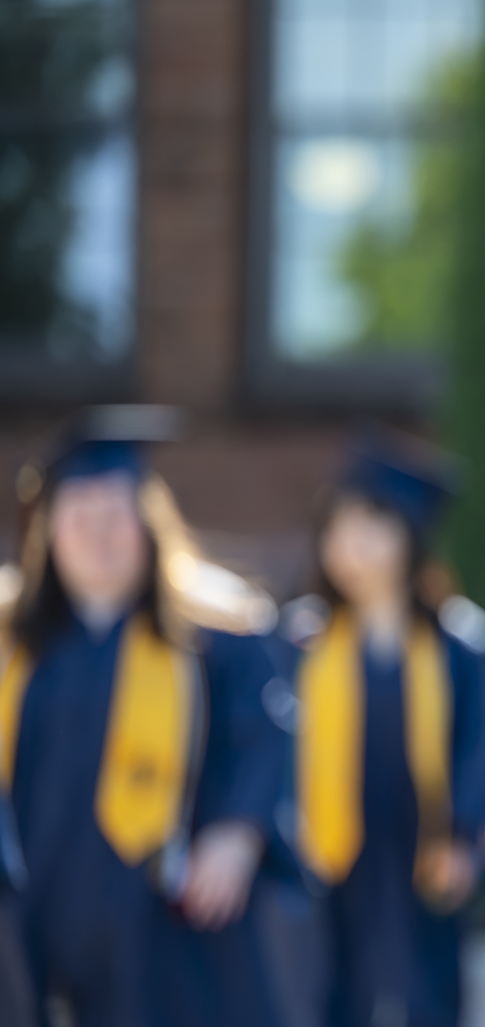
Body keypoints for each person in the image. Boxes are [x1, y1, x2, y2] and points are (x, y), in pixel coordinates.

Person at [0, 407, 289, 1025]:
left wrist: (239, 834)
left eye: (115, 517)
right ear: (48, 534)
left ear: (150, 527)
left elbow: (267, 736)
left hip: (163, 919)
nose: (98, 537)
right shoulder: (15, 647)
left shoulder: (217, 637)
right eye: (78, 518)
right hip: (36, 913)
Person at [286, 436, 485, 1027]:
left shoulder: (458, 643)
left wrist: (465, 836)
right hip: (331, 850)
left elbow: (476, 746)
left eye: (371, 527)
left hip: (421, 845)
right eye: (338, 528)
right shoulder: (303, 639)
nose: (350, 546)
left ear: (410, 538)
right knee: (331, 988)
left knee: (426, 988)